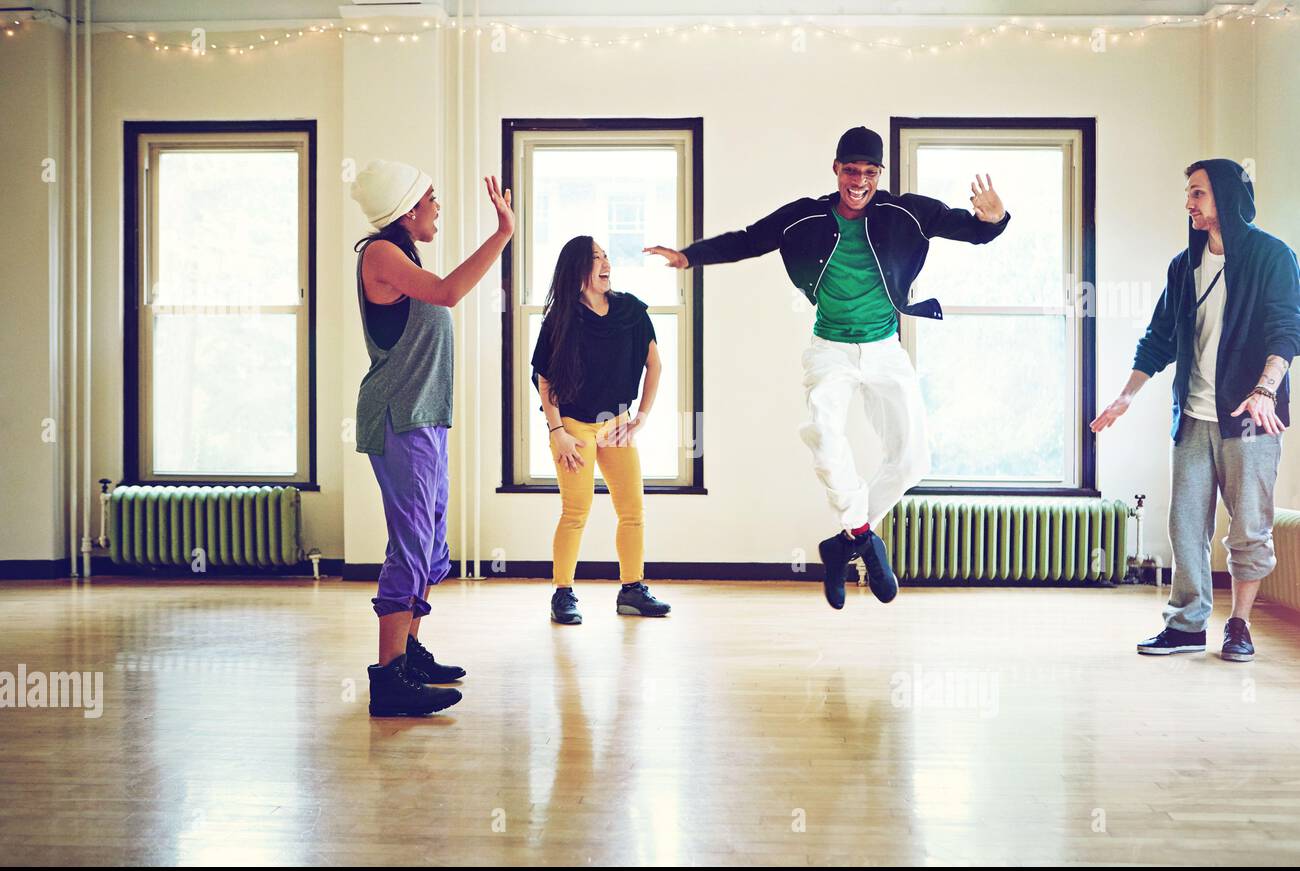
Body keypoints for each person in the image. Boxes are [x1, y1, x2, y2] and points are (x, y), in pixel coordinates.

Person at [645, 126, 1009, 609]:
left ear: (880, 175)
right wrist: (689, 256)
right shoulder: (805, 217)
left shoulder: (907, 212)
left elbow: (969, 228)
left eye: (869, 172)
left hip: (884, 350)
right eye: (851, 170)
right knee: (823, 434)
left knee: (913, 459)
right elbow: (749, 239)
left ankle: (844, 544)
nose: (859, 180)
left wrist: (995, 219)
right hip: (830, 349)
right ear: (836, 169)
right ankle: (861, 534)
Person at [1092, 158, 1300, 662]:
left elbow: (1285, 330)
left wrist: (1265, 390)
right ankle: (1186, 625)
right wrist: (1127, 394)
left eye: (1198, 194)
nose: (1189, 203)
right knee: (1186, 524)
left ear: (1225, 197)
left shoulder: (1273, 256)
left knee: (1249, 526)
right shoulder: (1184, 263)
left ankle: (1239, 625)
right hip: (1192, 416)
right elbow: (1159, 337)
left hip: (1251, 417)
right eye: (1189, 194)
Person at [350, 159, 513, 716]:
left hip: (424, 419)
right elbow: (446, 294)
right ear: (407, 208)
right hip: (399, 417)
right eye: (432, 198)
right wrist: (502, 234)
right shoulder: (379, 254)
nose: (438, 207)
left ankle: (410, 653)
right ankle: (388, 679)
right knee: (411, 541)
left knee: (430, 542)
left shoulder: (402, 256)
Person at [531, 236, 671, 625]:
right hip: (573, 426)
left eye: (607, 255)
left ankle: (632, 590)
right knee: (575, 512)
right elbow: (544, 379)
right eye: (596, 258)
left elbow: (654, 365)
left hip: (616, 425)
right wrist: (557, 431)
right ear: (578, 269)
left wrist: (640, 417)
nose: (606, 262)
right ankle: (563, 594)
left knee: (632, 511)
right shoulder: (562, 317)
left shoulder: (630, 310)